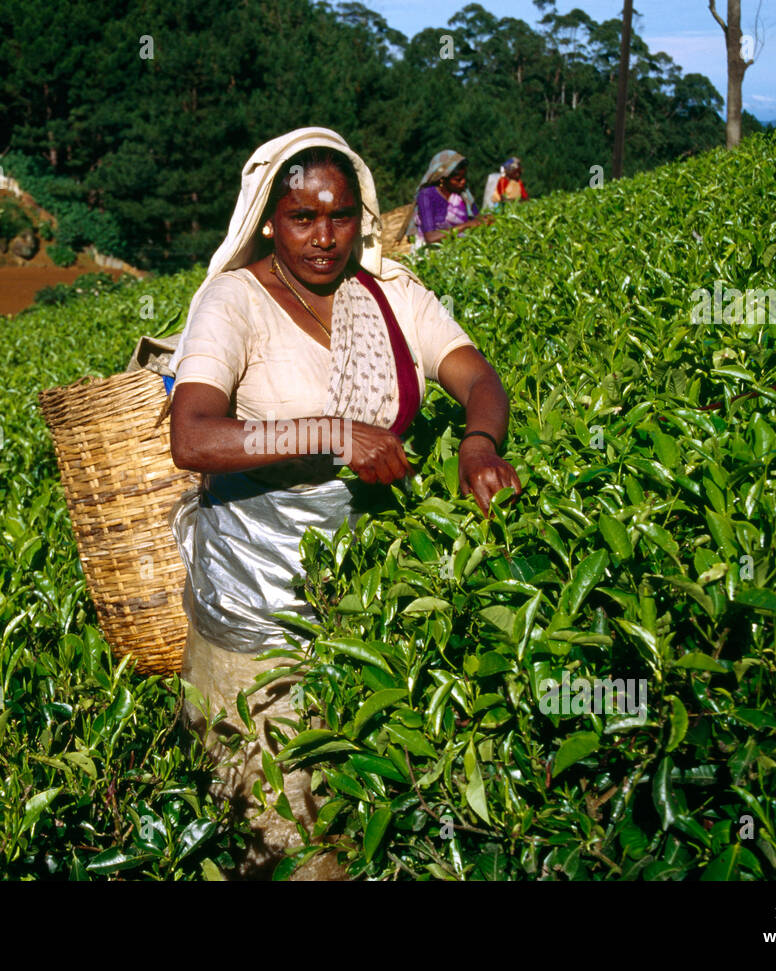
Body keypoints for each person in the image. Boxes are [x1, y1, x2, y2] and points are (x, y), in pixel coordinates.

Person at [167, 127, 521, 879]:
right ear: (270, 218)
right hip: (256, 606)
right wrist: (331, 432)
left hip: (365, 604)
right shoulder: (236, 302)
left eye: (340, 216)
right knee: (275, 828)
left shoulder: (389, 293)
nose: (324, 237)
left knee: (362, 815)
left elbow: (479, 379)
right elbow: (192, 435)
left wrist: (478, 442)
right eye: (303, 218)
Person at [409, 150, 492, 245]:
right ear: (443, 179)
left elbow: (476, 219)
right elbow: (430, 238)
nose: (463, 182)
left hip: (459, 247)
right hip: (430, 252)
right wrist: (466, 225)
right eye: (458, 180)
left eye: (464, 177)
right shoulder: (427, 195)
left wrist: (487, 219)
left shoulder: (463, 194)